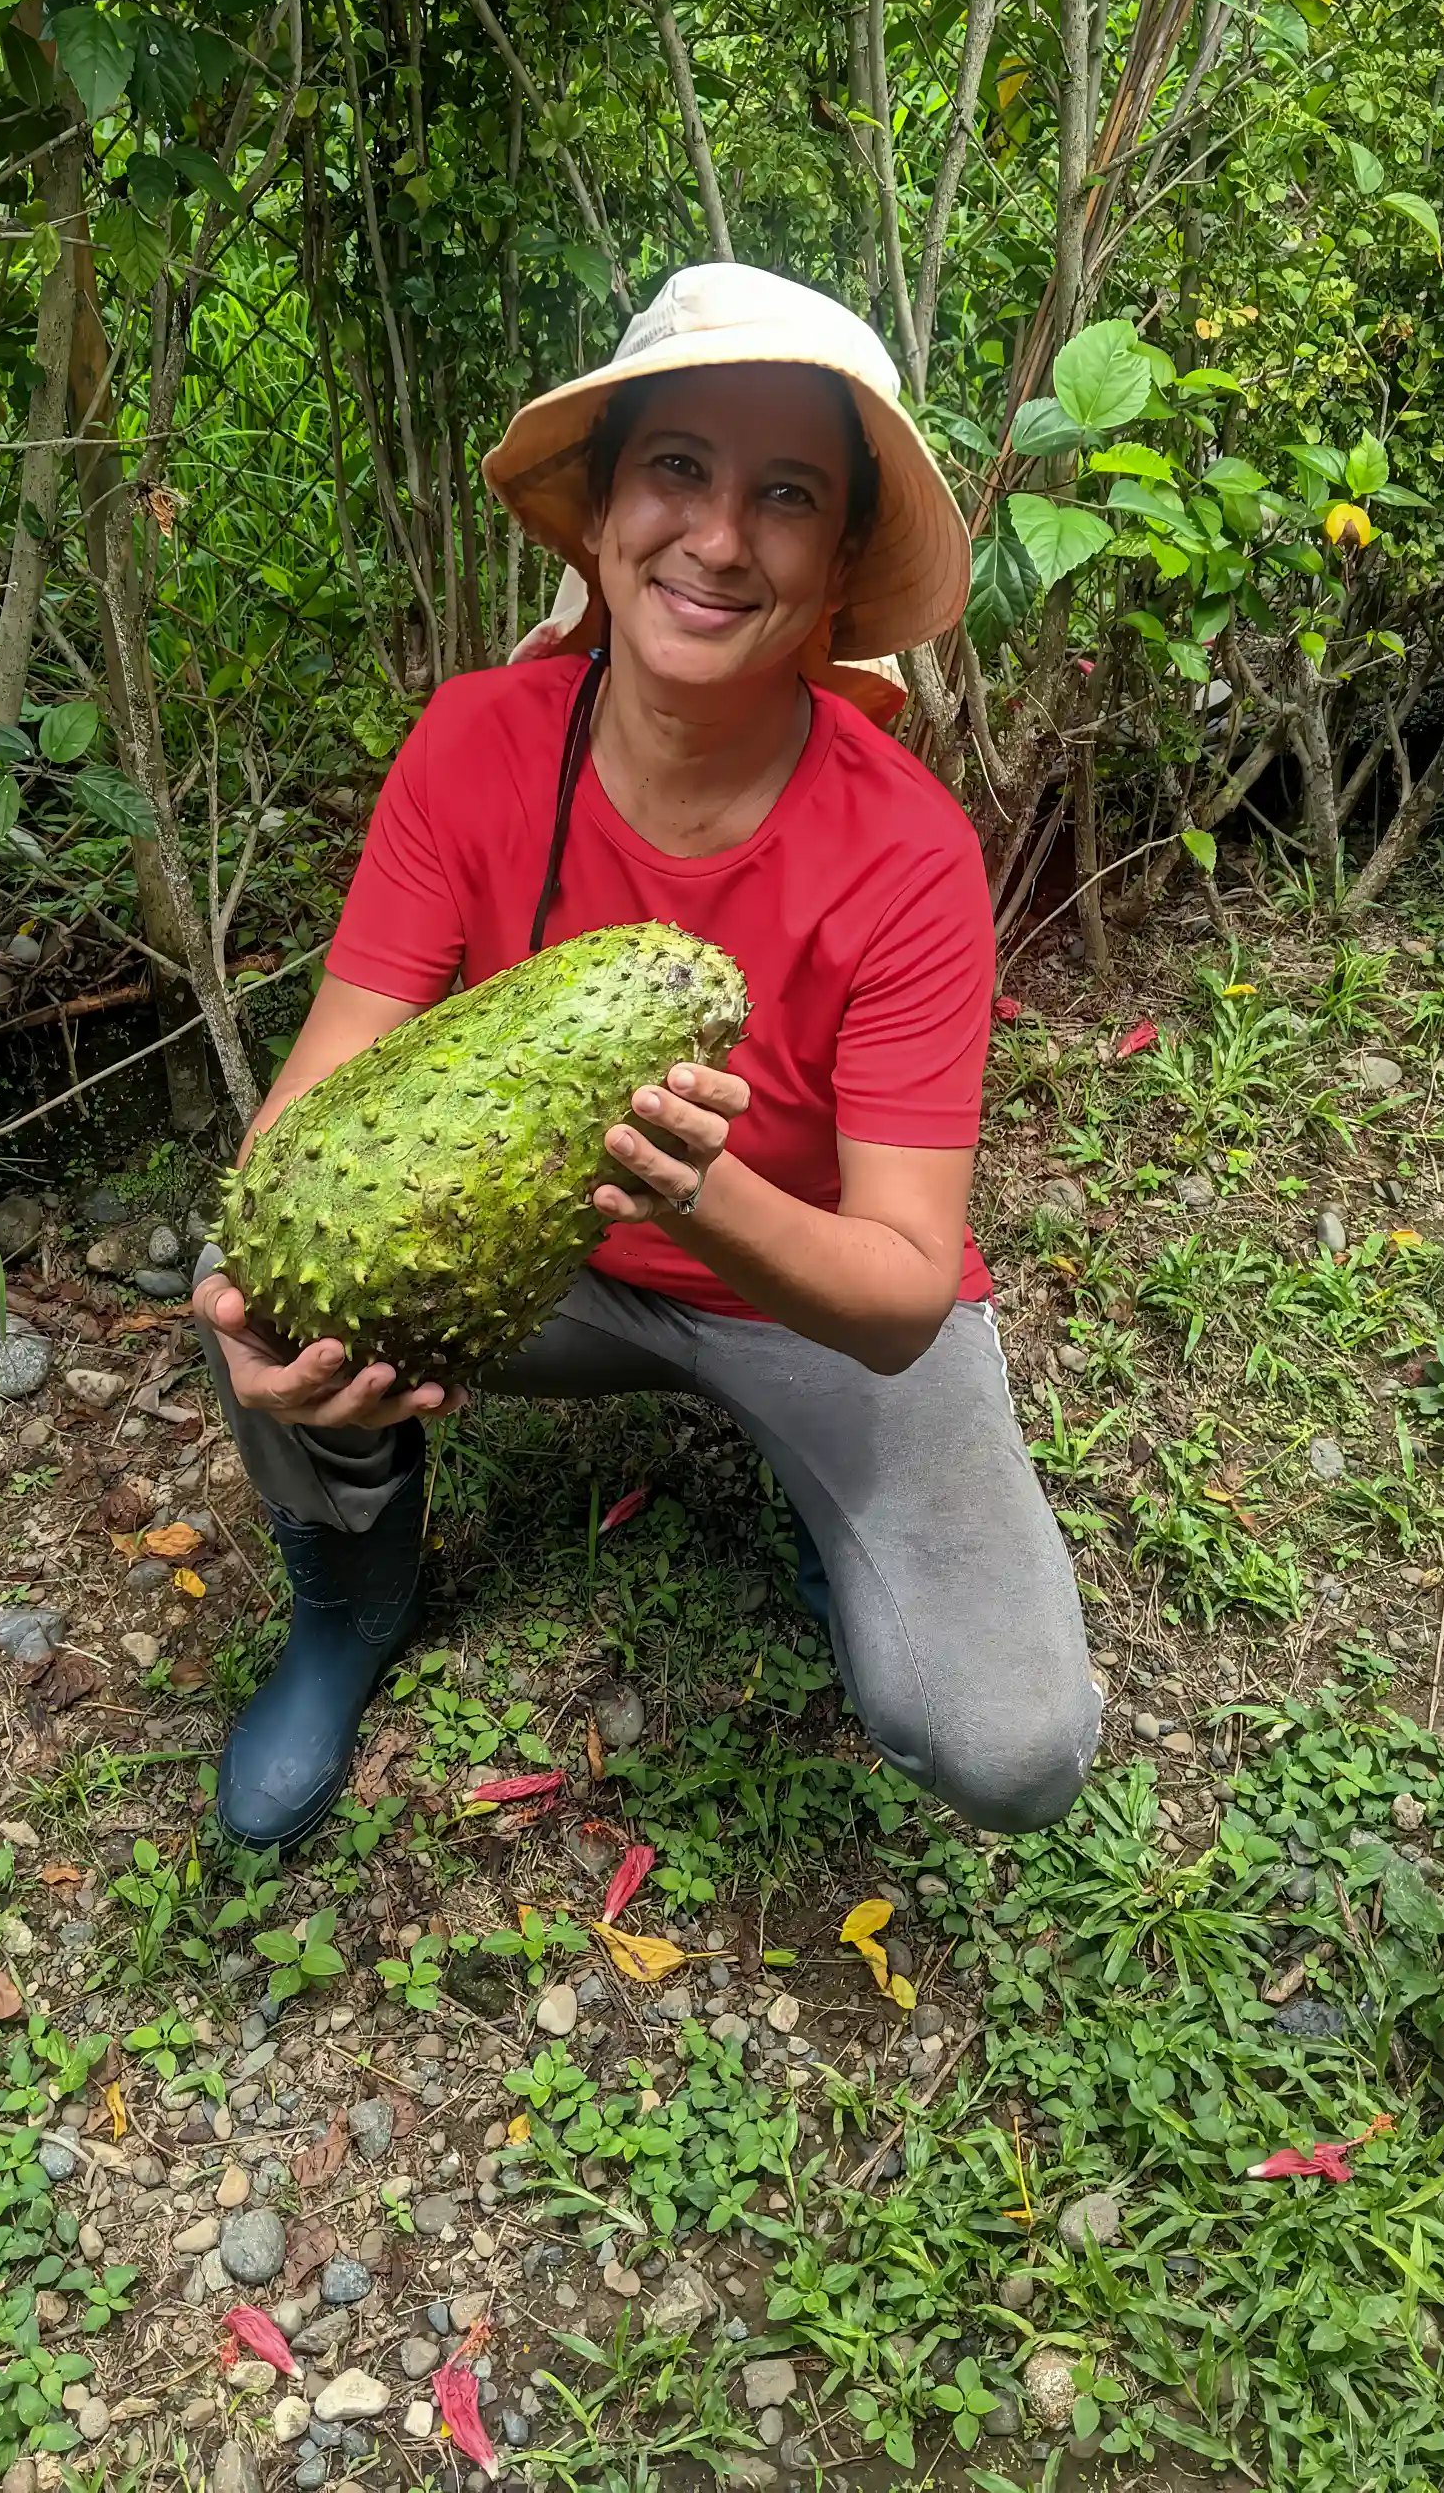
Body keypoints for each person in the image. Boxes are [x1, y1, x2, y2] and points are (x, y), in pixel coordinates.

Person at [190, 263, 1101, 1850]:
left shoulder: (909, 852)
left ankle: (830, 1504)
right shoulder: (474, 740)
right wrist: (262, 1299)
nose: (720, 535)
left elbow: (899, 1288)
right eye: (677, 466)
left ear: (833, 571)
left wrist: (695, 1187)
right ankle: (351, 1592)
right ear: (602, 507)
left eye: (788, 495)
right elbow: (321, 1108)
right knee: (260, 1255)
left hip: (815, 1300)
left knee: (1009, 1744)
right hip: (548, 1269)